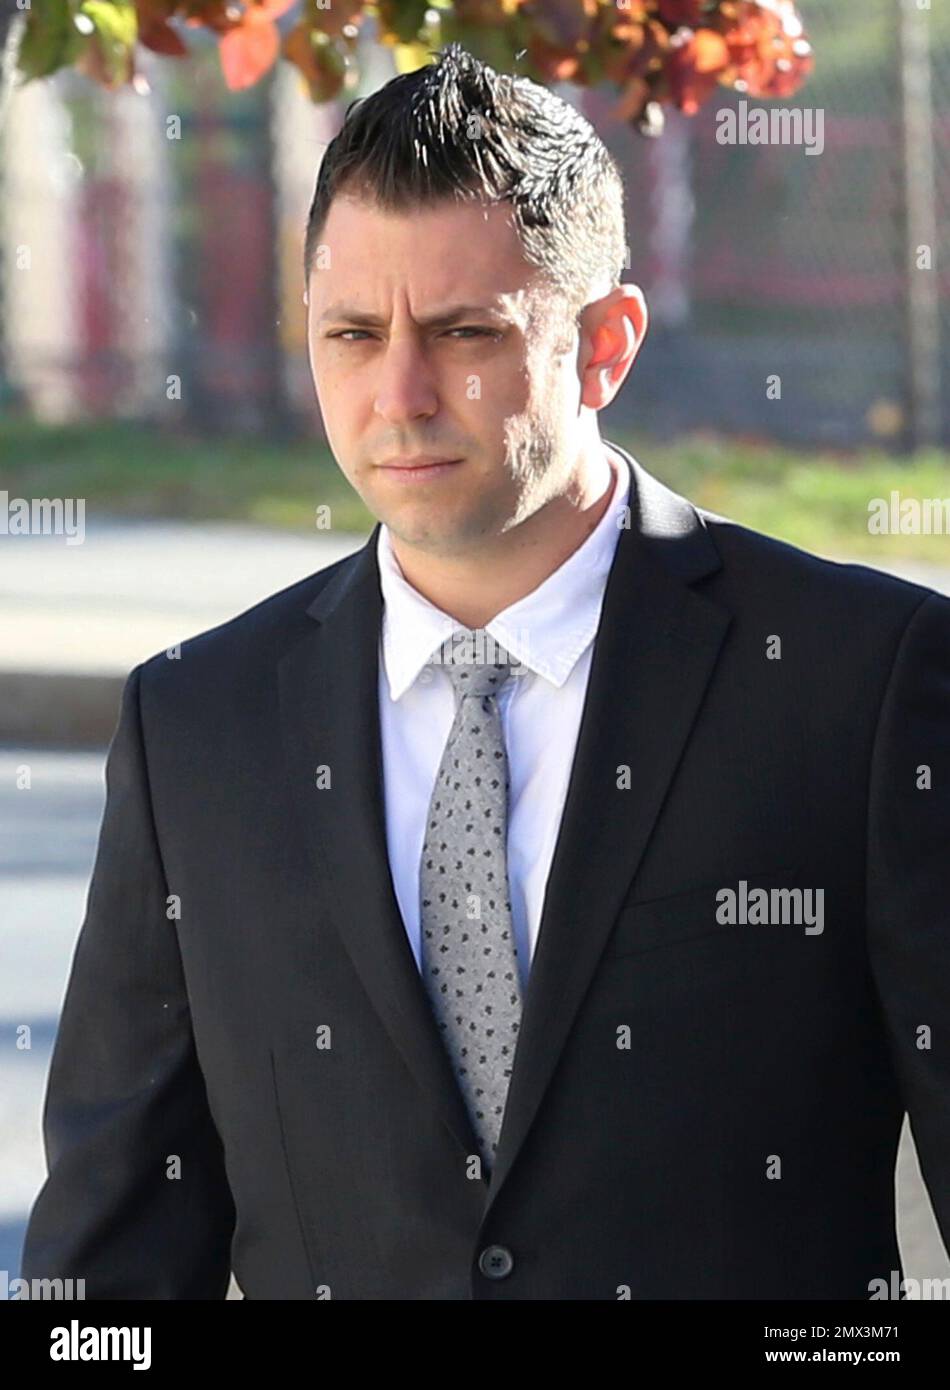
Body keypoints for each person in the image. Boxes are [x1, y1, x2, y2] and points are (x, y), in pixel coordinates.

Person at [21, 43, 949, 1300]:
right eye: (351, 332)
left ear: (606, 345)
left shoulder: (864, 682)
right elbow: (110, 1271)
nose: (396, 395)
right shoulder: (197, 723)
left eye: (463, 332)